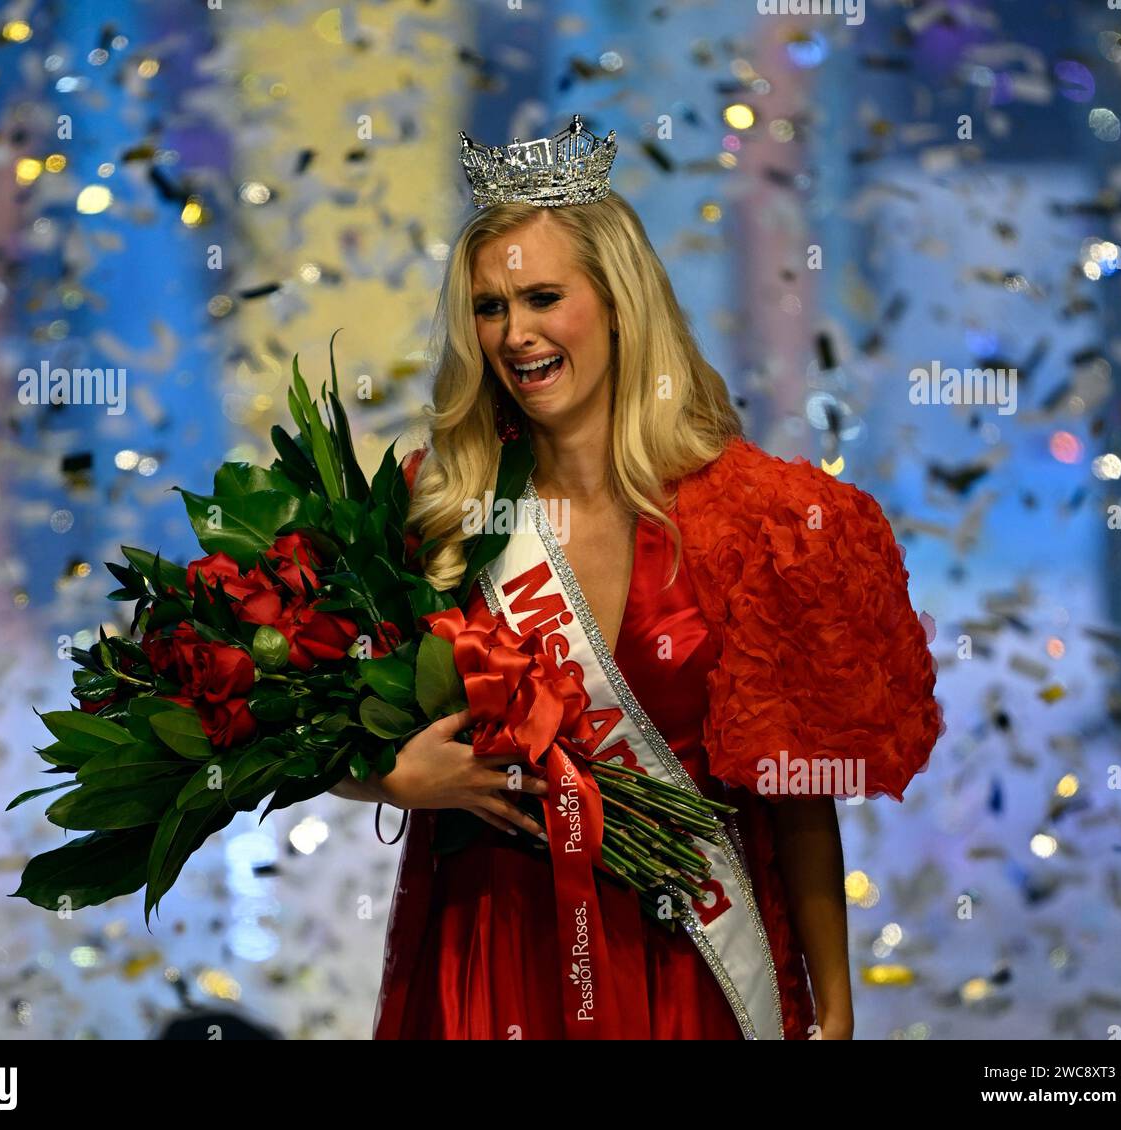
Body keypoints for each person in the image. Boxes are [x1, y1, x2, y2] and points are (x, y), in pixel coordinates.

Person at [332, 116, 942, 1040]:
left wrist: (836, 1004)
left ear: (618, 301)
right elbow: (304, 720)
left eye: (542, 297)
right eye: (490, 308)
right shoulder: (436, 507)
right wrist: (390, 781)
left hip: (692, 963)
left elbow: (795, 789)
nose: (516, 334)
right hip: (488, 956)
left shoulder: (760, 519)